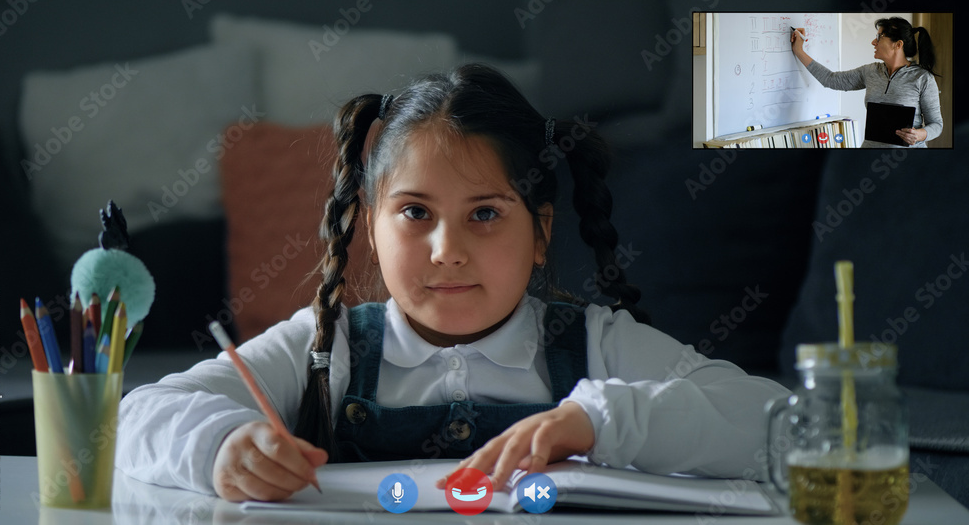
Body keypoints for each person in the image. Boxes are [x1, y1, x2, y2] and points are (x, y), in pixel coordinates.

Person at [116, 63, 789, 502]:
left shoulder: (595, 346)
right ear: (372, 230)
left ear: (540, 233)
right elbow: (139, 416)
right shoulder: (331, 348)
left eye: (485, 215)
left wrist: (600, 420)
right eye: (415, 212)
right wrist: (221, 444)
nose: (448, 250)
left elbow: (780, 429)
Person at [791, 17, 942, 148]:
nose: (873, 42)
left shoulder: (923, 78)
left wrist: (920, 134)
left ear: (898, 44)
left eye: (879, 37)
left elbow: (936, 125)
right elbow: (831, 79)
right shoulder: (870, 71)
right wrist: (799, 51)